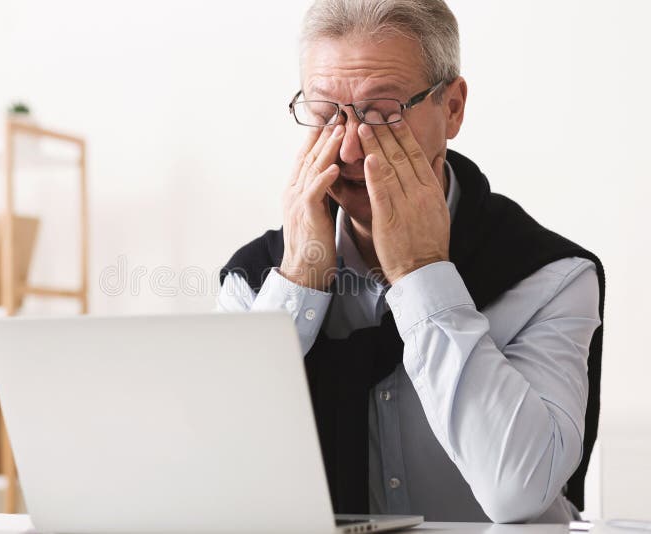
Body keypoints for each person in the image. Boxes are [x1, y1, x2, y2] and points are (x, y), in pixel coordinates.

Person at [217, 0, 605, 525]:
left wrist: (423, 274)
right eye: (327, 113)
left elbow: (519, 491)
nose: (350, 149)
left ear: (452, 108)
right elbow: (222, 479)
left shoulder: (551, 277)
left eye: (384, 111)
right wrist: (299, 282)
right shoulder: (253, 280)